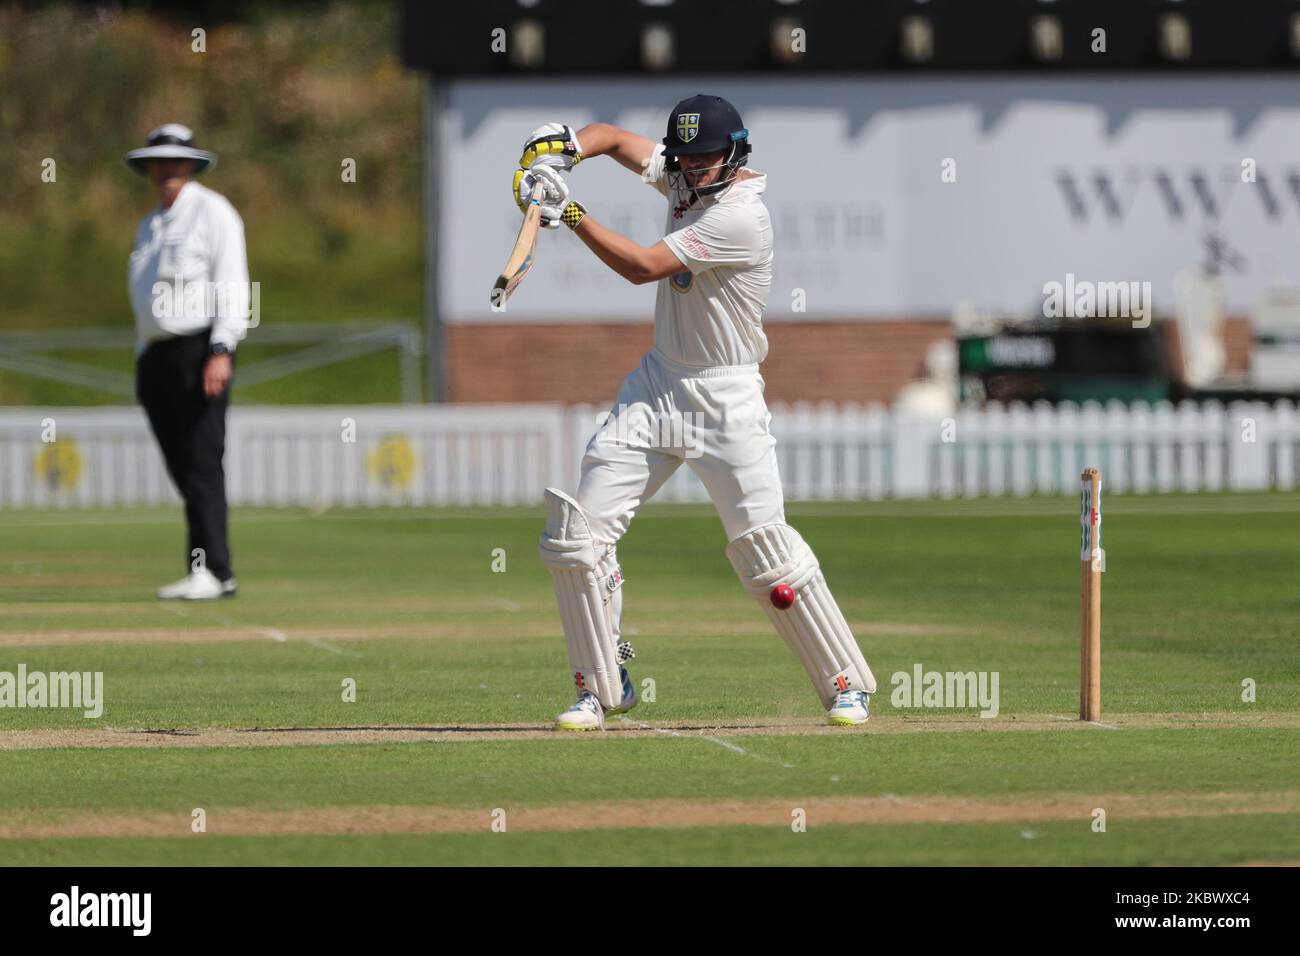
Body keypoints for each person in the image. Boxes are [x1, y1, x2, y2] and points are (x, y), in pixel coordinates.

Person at [518, 95, 878, 731]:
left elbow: (641, 268)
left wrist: (566, 209)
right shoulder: (687, 177)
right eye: (683, 157)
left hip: (726, 399)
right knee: (578, 538)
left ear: (736, 151)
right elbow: (611, 137)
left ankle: (845, 685)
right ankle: (600, 685)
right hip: (658, 385)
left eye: (705, 156)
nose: (691, 168)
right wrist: (564, 148)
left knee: (767, 556)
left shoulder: (741, 217)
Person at [125, 124, 249, 600]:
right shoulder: (150, 224)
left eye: (176, 162)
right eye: (159, 163)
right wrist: (143, 355)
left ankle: (215, 570)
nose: (167, 171)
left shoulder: (214, 212)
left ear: (191, 165)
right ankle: (206, 566)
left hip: (198, 351)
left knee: (201, 462)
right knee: (181, 467)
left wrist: (222, 349)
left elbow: (233, 284)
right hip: (155, 357)